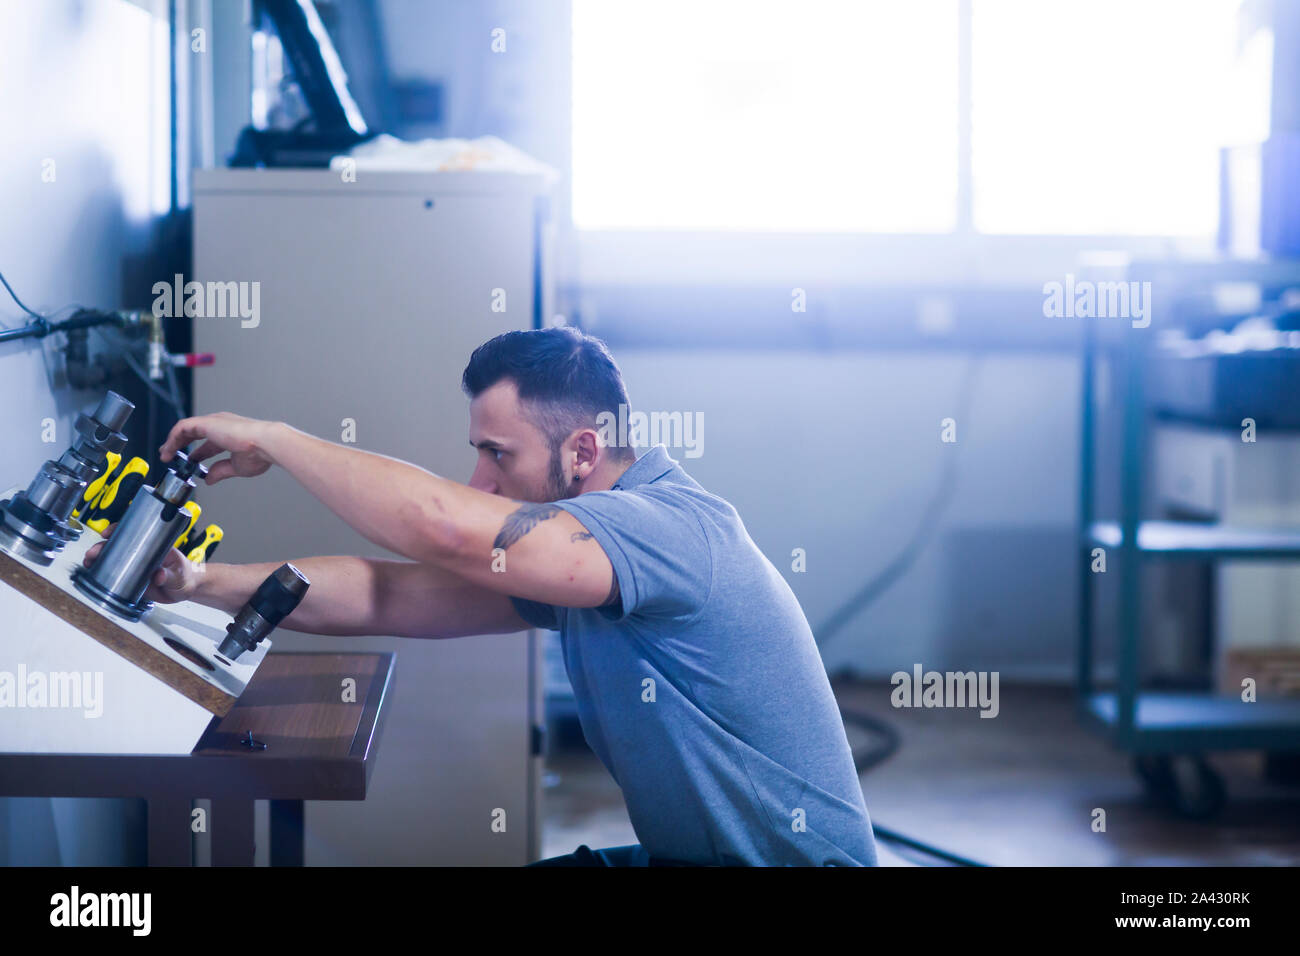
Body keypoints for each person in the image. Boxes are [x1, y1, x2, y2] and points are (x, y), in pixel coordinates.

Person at [89, 327, 876, 866]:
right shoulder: (584, 564)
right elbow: (389, 596)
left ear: (584, 450)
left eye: (498, 455)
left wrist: (279, 440)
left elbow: (444, 526)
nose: (481, 483)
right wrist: (196, 585)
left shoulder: (661, 531)